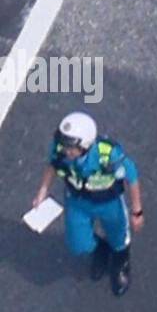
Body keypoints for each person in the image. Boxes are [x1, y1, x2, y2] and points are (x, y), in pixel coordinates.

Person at [31, 112, 142, 297]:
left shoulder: (108, 154)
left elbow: (131, 176)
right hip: (78, 202)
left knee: (120, 238)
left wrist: (137, 211)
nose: (66, 150)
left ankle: (121, 263)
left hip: (109, 202)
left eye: (71, 147)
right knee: (78, 244)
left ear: (85, 145)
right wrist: (43, 190)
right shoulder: (59, 148)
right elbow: (53, 165)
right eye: (65, 145)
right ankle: (101, 249)